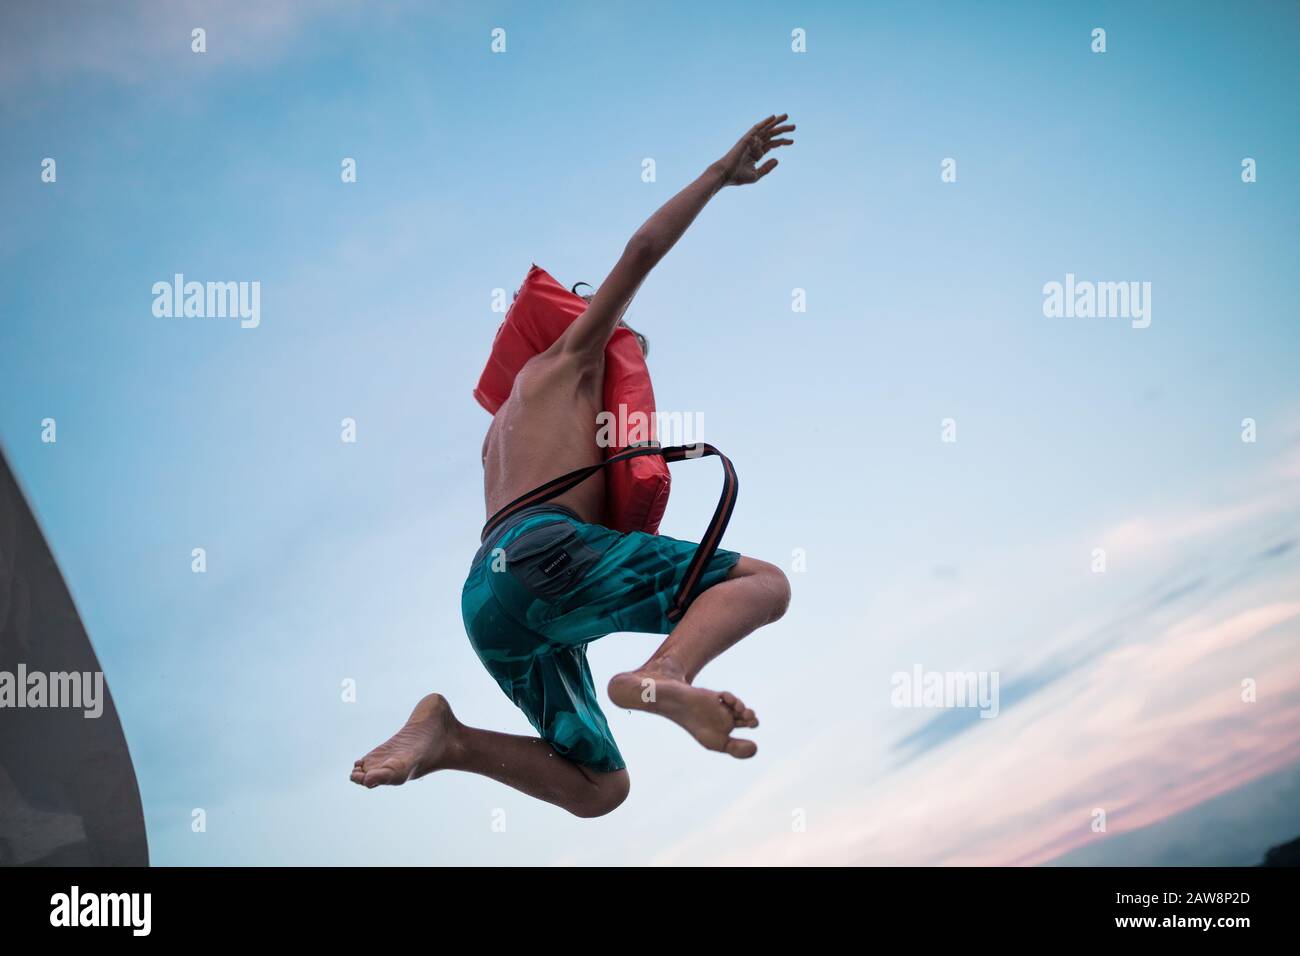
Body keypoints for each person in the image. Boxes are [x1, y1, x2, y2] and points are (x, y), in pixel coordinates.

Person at [351, 115, 795, 817]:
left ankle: (451, 739)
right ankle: (662, 672)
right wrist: (719, 174)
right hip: (548, 556)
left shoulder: (502, 426)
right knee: (764, 583)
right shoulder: (569, 357)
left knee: (600, 787)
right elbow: (643, 250)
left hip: (489, 600)